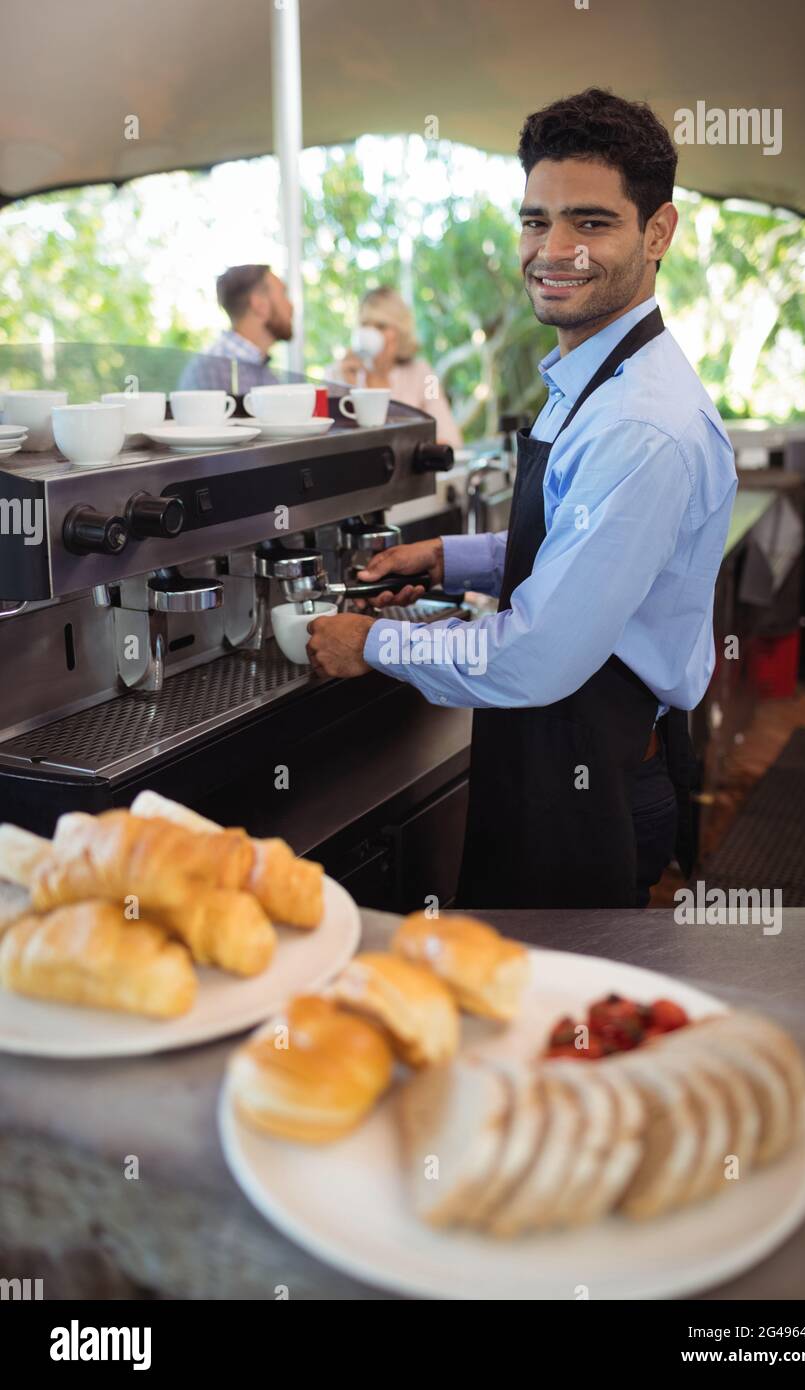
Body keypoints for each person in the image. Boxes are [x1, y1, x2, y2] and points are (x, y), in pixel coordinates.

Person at [305, 88, 737, 910]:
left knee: (552, 1025)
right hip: (558, 760)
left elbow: (538, 655)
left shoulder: (641, 422)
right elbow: (582, 549)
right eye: (537, 222)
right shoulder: (593, 377)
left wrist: (373, 646)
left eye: (591, 222)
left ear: (658, 232)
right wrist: (446, 556)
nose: (555, 250)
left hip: (590, 791)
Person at [328, 287, 462, 450]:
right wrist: (349, 388)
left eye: (381, 326)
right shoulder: (338, 374)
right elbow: (333, 445)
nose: (371, 333)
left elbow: (448, 437)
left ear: (400, 331)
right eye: (365, 325)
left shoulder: (424, 374)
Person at [178, 264, 294, 393]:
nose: (291, 306)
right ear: (259, 304)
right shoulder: (211, 370)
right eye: (283, 295)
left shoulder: (264, 372)